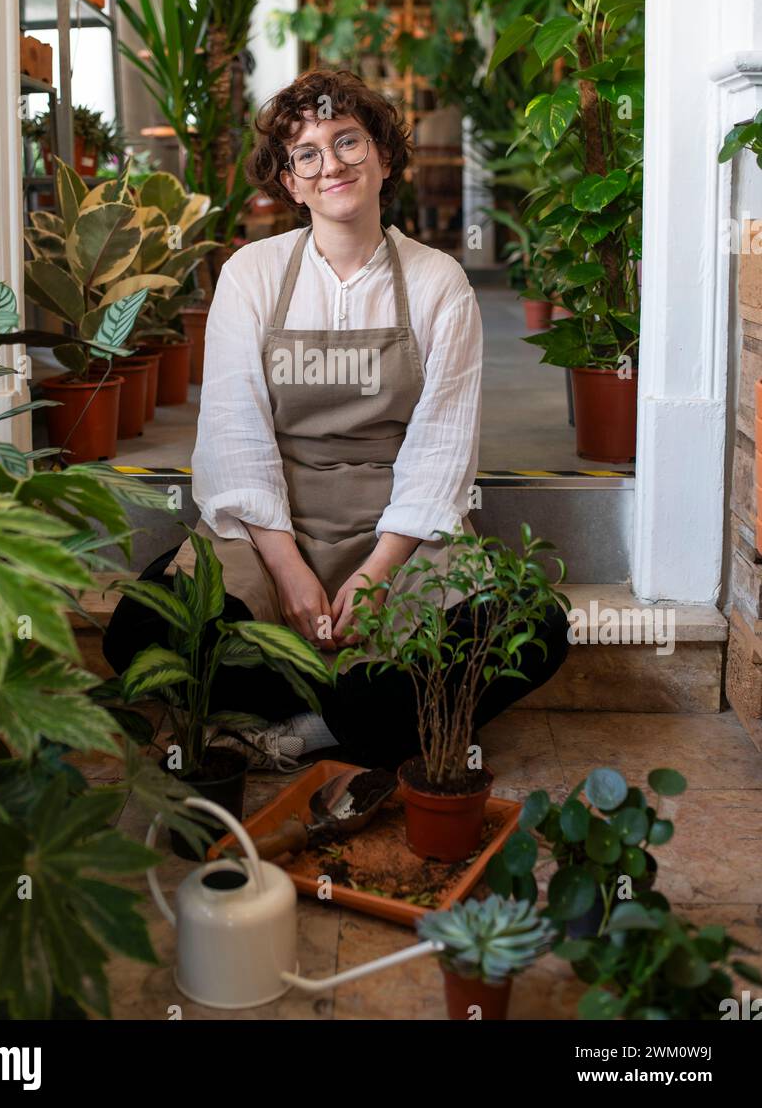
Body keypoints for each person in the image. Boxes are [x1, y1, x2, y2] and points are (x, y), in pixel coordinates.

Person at [104, 69, 569, 769]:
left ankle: (305, 728)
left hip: (401, 532)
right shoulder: (252, 274)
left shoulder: (439, 281)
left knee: (537, 626)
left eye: (348, 141)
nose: (333, 165)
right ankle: (365, 713)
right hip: (271, 525)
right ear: (290, 182)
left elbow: (442, 447)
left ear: (383, 155)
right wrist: (288, 571)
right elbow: (234, 431)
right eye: (308, 153)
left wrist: (380, 574)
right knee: (138, 630)